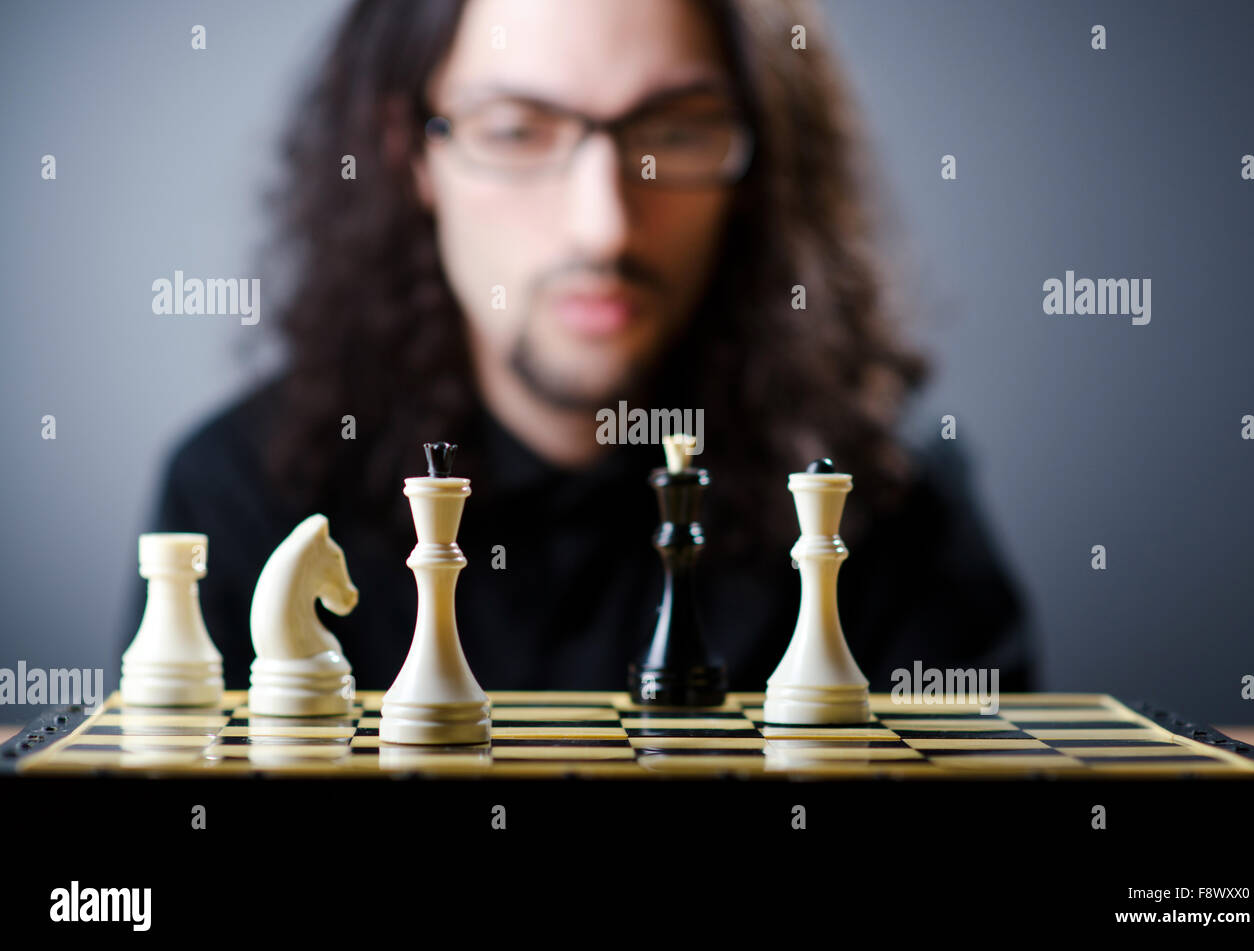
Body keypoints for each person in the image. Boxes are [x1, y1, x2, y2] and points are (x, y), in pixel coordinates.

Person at [124, 0, 1037, 694]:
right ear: (410, 153)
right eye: (518, 129)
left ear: (757, 167)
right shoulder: (240, 493)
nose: (603, 226)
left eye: (675, 132)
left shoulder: (896, 512)